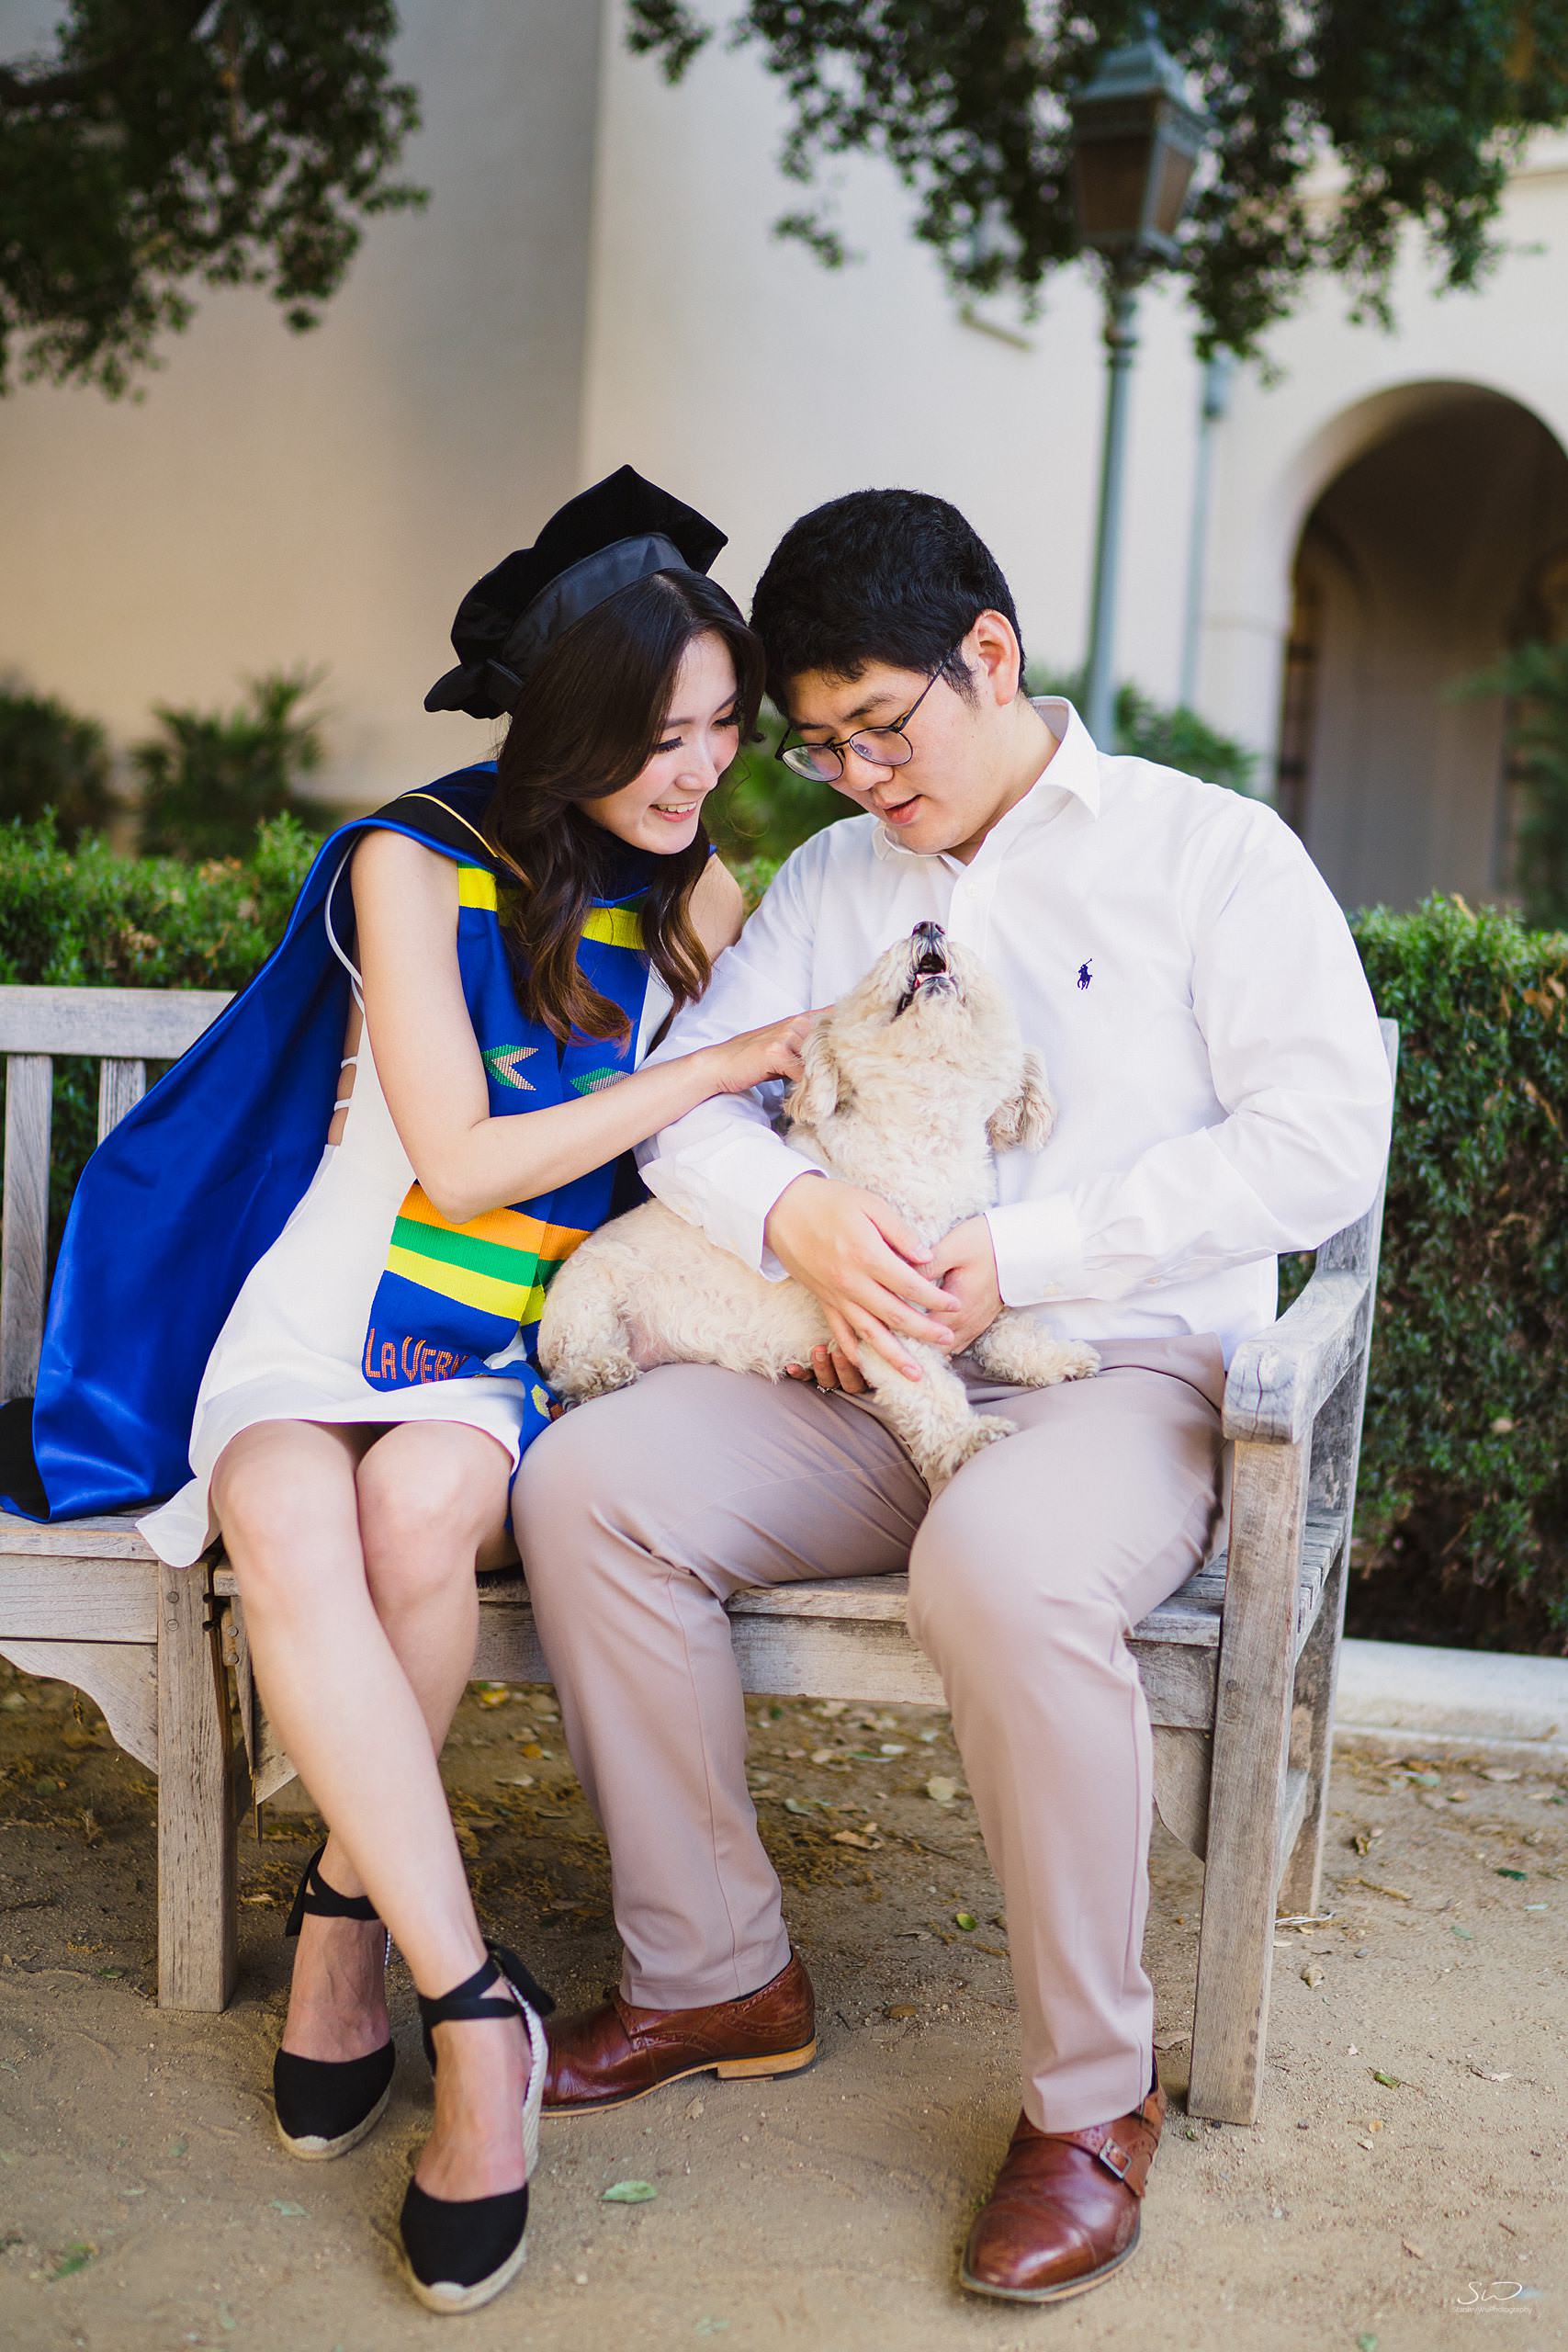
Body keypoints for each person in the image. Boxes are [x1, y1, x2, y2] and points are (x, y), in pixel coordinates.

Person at [513, 487, 1395, 2303]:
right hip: (850, 1367)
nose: (849, 777)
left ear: (983, 655)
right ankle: (710, 1971)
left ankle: (1086, 2102)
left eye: (876, 729)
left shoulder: (1203, 853)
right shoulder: (839, 882)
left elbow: (1319, 1139)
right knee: (590, 1485)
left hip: (1110, 1371)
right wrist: (801, 1211)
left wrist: (1042, 1248)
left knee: (995, 1563)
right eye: (816, 744)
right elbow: (688, 1098)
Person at [0, 467, 811, 2314]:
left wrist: (771, 1083)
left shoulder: (690, 888)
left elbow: (766, 1094)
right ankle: (474, 2017)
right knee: (289, 1505)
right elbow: (451, 1157)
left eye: (721, 733)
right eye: (664, 734)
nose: (698, 772)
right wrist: (720, 1059)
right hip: (319, 1299)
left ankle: (349, 1917)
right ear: (576, 718)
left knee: (417, 1507)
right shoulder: (408, 853)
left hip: (491, 1343)